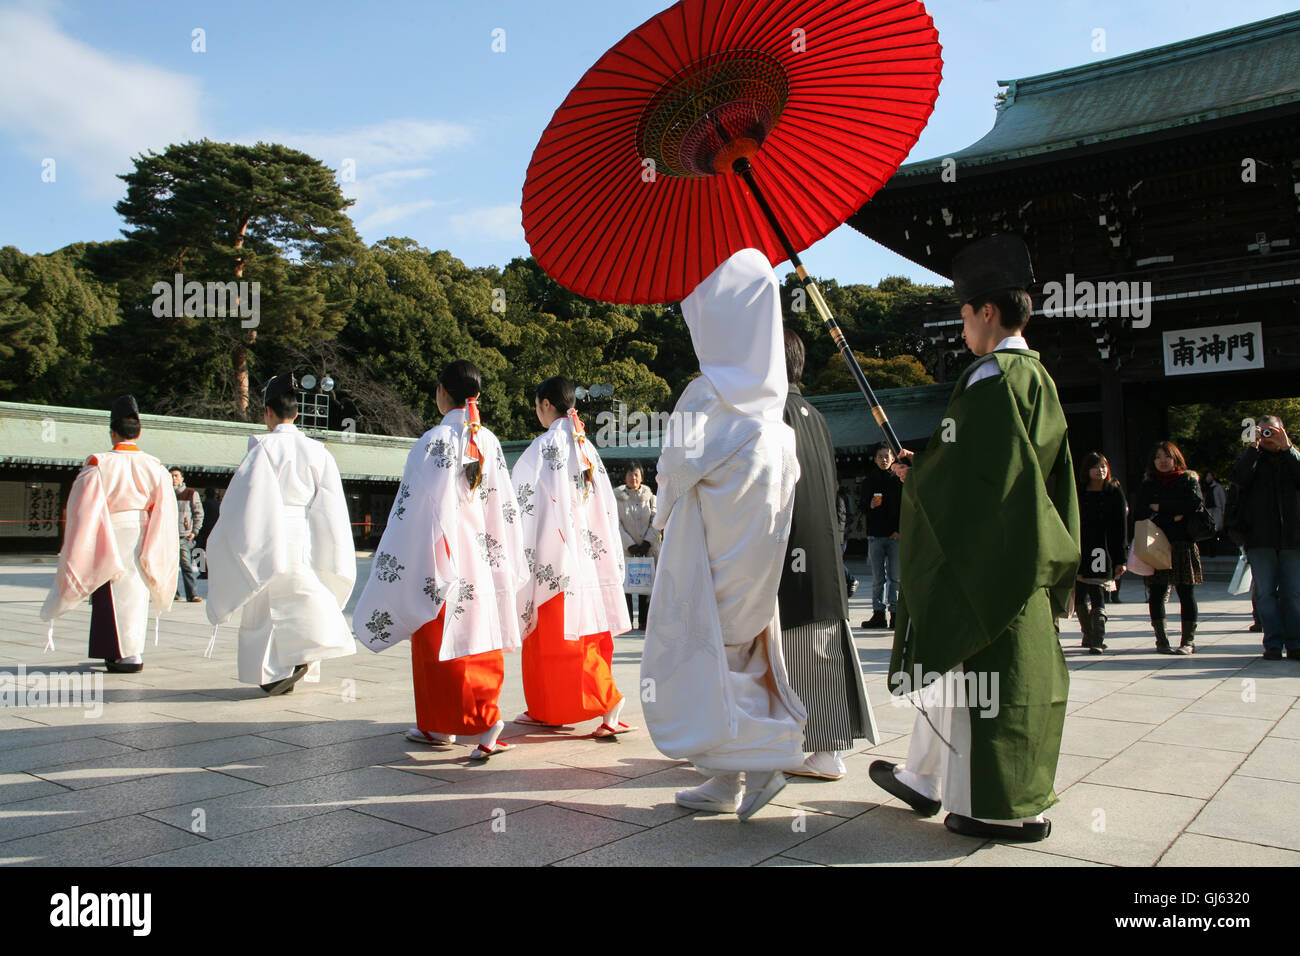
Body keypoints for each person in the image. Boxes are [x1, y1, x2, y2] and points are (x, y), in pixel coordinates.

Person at [869, 234, 1079, 843]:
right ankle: (927, 777)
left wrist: (923, 477)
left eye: (963, 315)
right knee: (983, 677)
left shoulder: (991, 376)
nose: (962, 330)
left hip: (993, 562)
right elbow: (1012, 469)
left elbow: (979, 477)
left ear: (987, 311)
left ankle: (996, 807)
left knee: (986, 674)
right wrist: (929, 467)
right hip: (1021, 551)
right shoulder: (1036, 377)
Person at [641, 248, 806, 822]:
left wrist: (661, 517)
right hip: (757, 566)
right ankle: (725, 777)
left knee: (703, 661)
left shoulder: (707, 398)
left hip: (708, 562)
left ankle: (757, 762)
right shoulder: (774, 414)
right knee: (747, 657)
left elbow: (670, 474)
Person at [353, 360, 528, 759]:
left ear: (441, 394)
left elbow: (414, 508)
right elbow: (506, 507)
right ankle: (444, 724)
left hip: (442, 557)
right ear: (477, 396)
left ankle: (478, 724)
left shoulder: (434, 441)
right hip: (481, 558)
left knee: (439, 644)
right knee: (478, 638)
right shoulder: (490, 442)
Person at [205, 373, 357, 695]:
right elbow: (329, 507)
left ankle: (275, 674)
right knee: (303, 594)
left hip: (266, 528)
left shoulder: (263, 448)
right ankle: (305, 653)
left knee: (264, 600)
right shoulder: (318, 451)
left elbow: (244, 501)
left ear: (268, 413)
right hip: (302, 531)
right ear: (297, 413)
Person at [778, 329, 877, 781]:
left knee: (801, 652)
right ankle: (821, 744)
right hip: (821, 549)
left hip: (791, 546)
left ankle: (821, 749)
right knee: (820, 650)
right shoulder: (814, 415)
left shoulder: (772, 414)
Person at [510, 376, 632, 735]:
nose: (537, 412)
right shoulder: (586, 447)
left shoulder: (544, 447)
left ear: (547, 404)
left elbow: (522, 503)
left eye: (537, 405)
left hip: (554, 561)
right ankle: (547, 708)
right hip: (587, 560)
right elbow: (606, 506)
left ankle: (609, 701)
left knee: (559, 643)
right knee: (580, 636)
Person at [40, 395, 178, 673]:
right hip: (142, 535)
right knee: (136, 595)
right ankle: (132, 652)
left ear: (112, 432)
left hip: (108, 533)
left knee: (109, 591)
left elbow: (84, 510)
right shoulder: (155, 466)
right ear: (138, 432)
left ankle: (119, 653)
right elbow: (164, 512)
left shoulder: (99, 464)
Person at [1231, 415, 1300, 660]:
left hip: (1293, 538)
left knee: (1293, 594)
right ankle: (1272, 643)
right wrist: (1252, 448)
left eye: (1273, 431)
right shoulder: (1253, 459)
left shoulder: (1292, 457)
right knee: (1265, 594)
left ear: (1283, 431)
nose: (1268, 437)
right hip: (1260, 538)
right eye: (1263, 432)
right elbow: (1238, 478)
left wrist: (1288, 448)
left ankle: (1295, 643)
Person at [1135, 441, 1204, 655]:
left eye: (1167, 457)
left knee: (1186, 591)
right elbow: (1141, 511)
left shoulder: (1188, 480)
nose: (1162, 461)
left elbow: (1193, 505)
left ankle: (1187, 641)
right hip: (1155, 544)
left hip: (1182, 542)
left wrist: (1161, 508)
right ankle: (1161, 640)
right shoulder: (1148, 483)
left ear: (1176, 459)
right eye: (1158, 457)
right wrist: (1173, 513)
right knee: (1156, 592)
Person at [1074, 452, 1127, 654]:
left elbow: (1120, 527)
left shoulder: (1113, 493)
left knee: (1097, 592)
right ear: (1087, 470)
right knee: (1079, 594)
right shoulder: (1079, 492)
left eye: (1103, 466)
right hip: (1080, 547)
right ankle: (1087, 634)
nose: (1101, 470)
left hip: (1101, 548)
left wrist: (1121, 558)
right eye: (1096, 467)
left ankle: (1097, 638)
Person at [859, 442, 902, 629]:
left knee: (895, 577)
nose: (884, 460)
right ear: (875, 459)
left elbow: (905, 507)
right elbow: (861, 506)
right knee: (878, 578)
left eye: (887, 456)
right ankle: (878, 614)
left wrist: (900, 529)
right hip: (875, 535)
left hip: (895, 535)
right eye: (880, 457)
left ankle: (895, 614)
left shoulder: (898, 479)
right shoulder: (869, 481)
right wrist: (870, 505)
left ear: (893, 458)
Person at [615, 462, 659, 630]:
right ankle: (626, 622)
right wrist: (630, 544)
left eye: (636, 475)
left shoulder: (651, 497)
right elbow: (615, 523)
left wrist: (647, 542)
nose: (633, 478)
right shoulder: (616, 498)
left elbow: (656, 519)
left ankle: (644, 621)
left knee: (646, 584)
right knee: (626, 584)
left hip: (648, 549)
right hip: (627, 550)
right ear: (625, 477)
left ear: (641, 477)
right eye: (630, 474)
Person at [171, 468, 205, 603]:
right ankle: (174, 593)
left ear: (182, 478)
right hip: (168, 534)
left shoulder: (191, 493)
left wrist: (194, 531)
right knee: (170, 566)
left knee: (185, 565)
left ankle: (192, 594)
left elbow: (198, 513)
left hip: (183, 534)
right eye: (171, 476)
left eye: (176, 476)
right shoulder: (166, 493)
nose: (173, 478)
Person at [836, 482, 857, 597]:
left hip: (841, 534)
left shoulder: (842, 497)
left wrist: (842, 532)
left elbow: (847, 517)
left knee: (836, 559)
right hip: (837, 534)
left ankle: (851, 579)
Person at [1201, 471, 1227, 558]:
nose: (1207, 478)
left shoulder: (1218, 487)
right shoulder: (1205, 488)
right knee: (1210, 531)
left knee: (1216, 530)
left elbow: (1223, 501)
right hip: (1208, 511)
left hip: (1217, 511)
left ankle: (1216, 551)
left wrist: (1223, 513)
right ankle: (1211, 551)